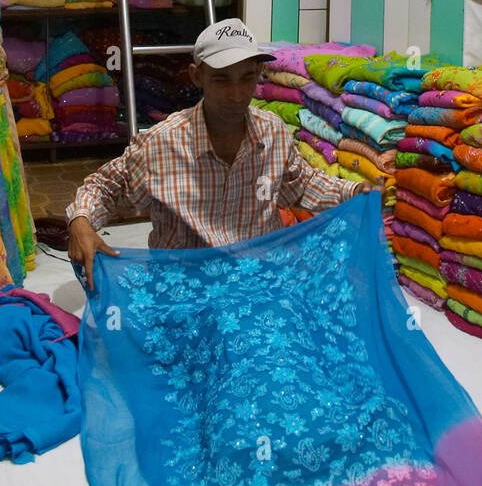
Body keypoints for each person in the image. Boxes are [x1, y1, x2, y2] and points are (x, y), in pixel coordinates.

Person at [66, 18, 368, 287]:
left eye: (247, 78)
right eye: (222, 79)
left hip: (256, 278)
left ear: (259, 73)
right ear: (197, 77)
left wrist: (354, 192)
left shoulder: (272, 132)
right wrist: (81, 222)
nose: (237, 95)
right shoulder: (161, 144)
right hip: (185, 285)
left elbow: (301, 185)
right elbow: (104, 188)